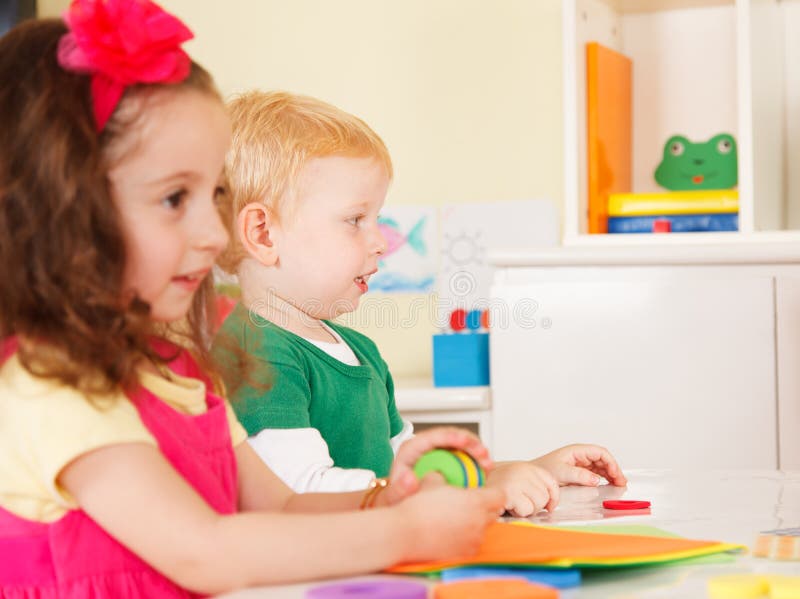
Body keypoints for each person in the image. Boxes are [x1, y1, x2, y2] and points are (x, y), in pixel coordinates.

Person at [0, 4, 505, 597]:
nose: (214, 233)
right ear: (65, 212)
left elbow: (284, 507)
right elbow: (205, 553)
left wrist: (386, 499)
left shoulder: (182, 377)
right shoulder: (50, 393)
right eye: (174, 199)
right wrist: (405, 532)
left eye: (214, 195)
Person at [213, 90, 628, 517]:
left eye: (377, 219)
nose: (380, 242)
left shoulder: (360, 351)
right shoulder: (254, 352)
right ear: (263, 233)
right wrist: (476, 492)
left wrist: (514, 472)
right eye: (355, 220)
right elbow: (297, 492)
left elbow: (407, 471)